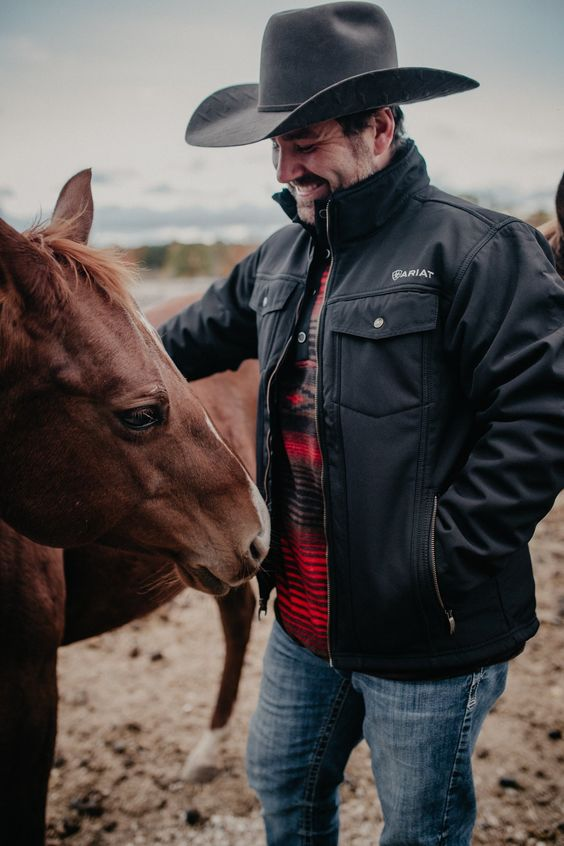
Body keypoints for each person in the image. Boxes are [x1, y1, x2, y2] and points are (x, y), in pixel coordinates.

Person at [159, 3, 564, 844]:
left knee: (419, 826)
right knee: (284, 784)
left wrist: (435, 564)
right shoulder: (276, 260)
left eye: (306, 141)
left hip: (428, 631)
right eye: (278, 144)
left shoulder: (479, 249)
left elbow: (541, 418)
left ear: (380, 125)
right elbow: (175, 344)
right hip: (306, 624)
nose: (287, 164)